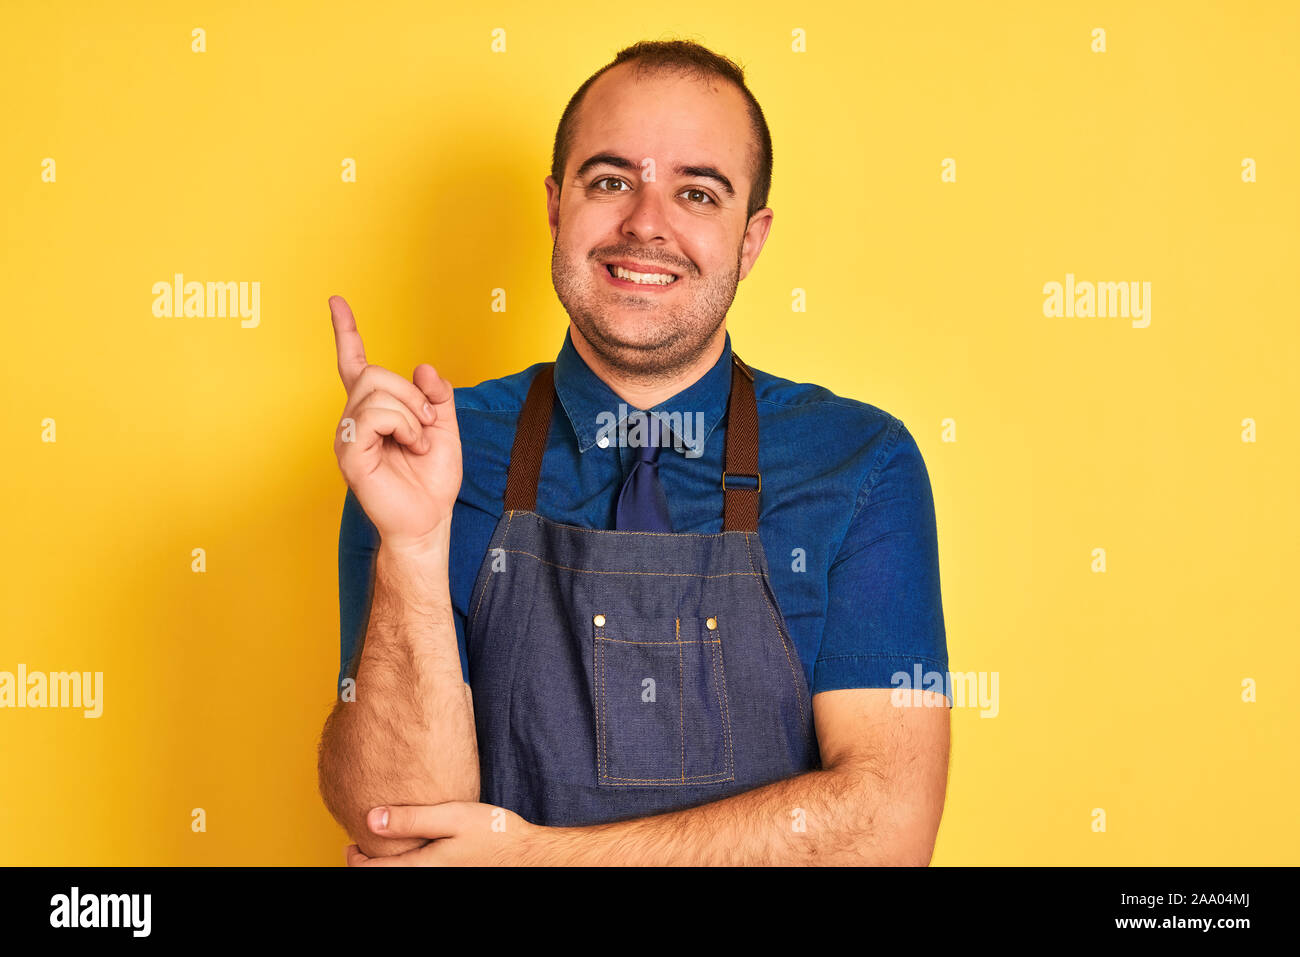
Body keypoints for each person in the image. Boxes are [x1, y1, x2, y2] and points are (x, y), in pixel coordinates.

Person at [318, 39, 951, 866]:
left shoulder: (861, 461)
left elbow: (885, 830)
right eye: (611, 180)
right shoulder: (428, 450)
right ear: (555, 206)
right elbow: (393, 821)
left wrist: (537, 855)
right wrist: (410, 545)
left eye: (697, 191)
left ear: (751, 239)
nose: (647, 222)